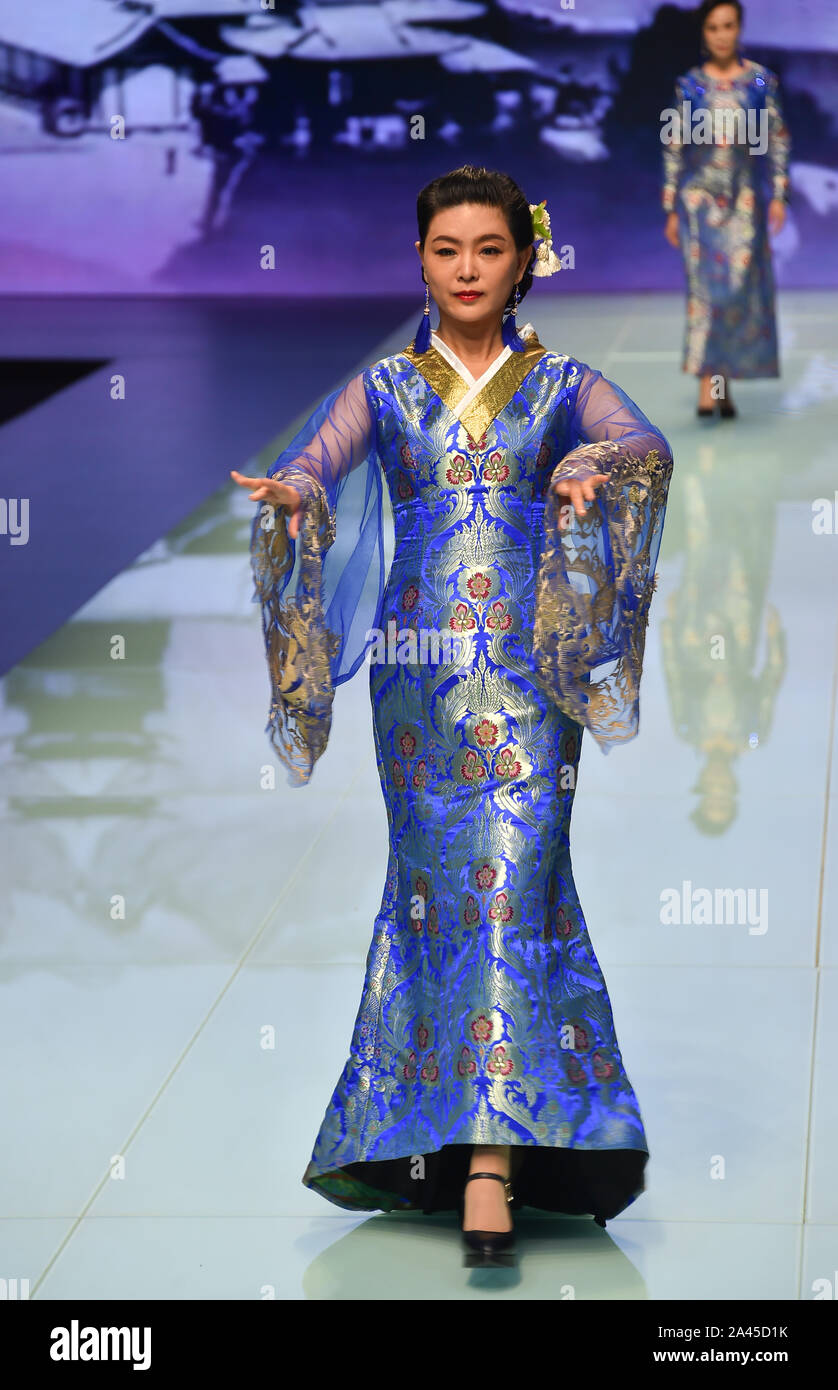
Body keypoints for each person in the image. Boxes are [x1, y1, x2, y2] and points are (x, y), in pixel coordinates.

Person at [231, 165, 673, 1268]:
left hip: (533, 676)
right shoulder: (385, 385)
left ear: (524, 258)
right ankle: (444, 1128)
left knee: (517, 880)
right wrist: (295, 497)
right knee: (435, 893)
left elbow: (648, 445)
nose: (467, 268)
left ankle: (492, 1160)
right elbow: (315, 460)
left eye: (488, 248)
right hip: (420, 687)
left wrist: (590, 461)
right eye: (445, 250)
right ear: (420, 259)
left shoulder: (560, 380)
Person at [662, 0, 790, 417]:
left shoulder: (759, 81)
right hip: (698, 201)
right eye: (713, 27)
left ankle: (724, 382)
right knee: (705, 295)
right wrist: (670, 207)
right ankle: (708, 383)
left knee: (736, 293)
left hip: (745, 201)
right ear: (704, 32)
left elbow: (776, 138)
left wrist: (779, 192)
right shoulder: (689, 85)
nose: (721, 34)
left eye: (728, 25)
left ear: (739, 28)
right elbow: (675, 146)